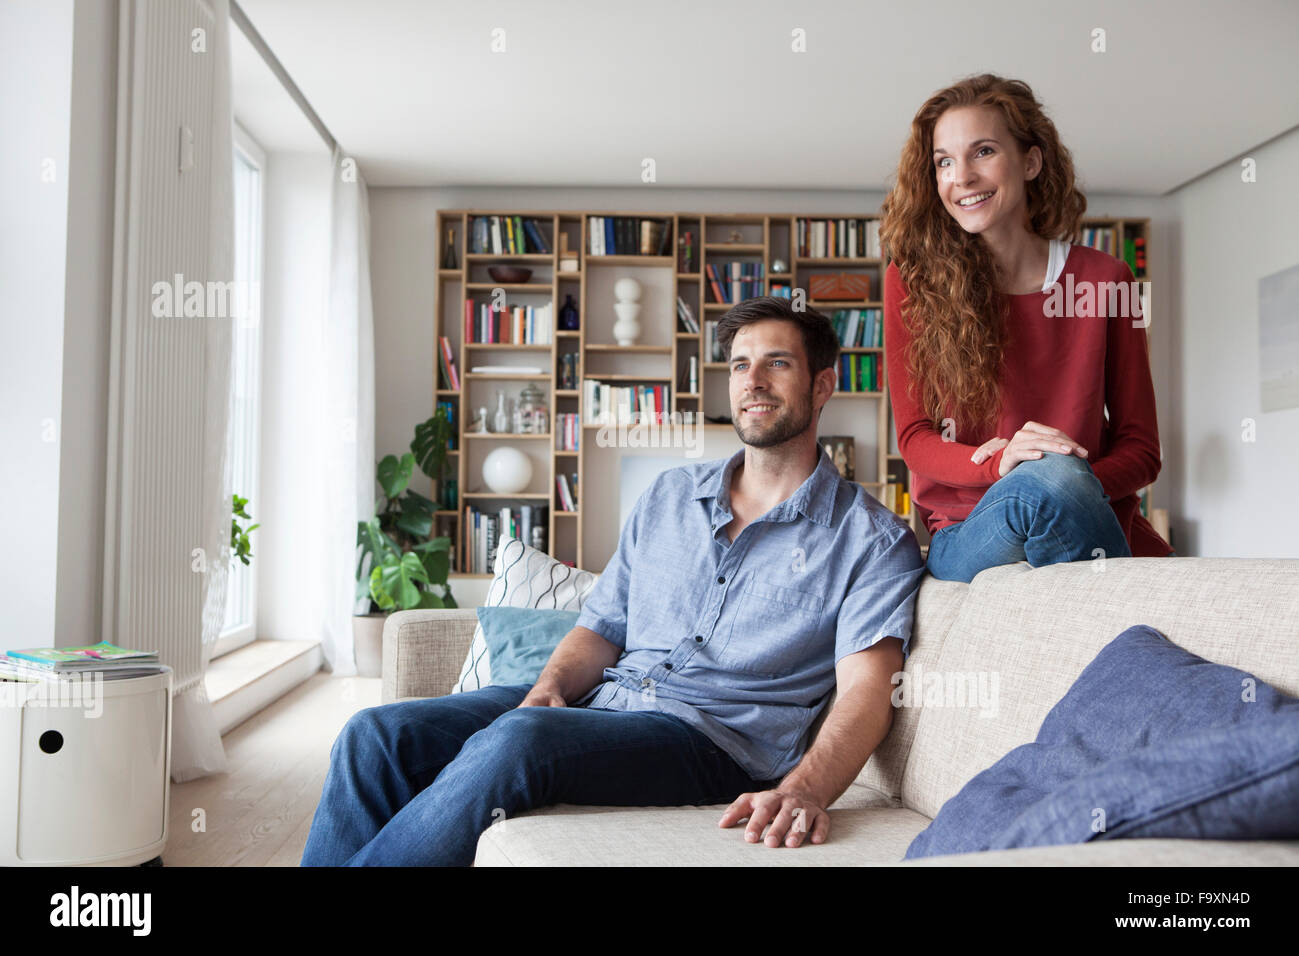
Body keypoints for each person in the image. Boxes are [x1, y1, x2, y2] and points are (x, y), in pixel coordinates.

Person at [300, 296, 926, 865]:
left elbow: (867, 693)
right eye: (738, 365)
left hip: (713, 743)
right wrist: (550, 685)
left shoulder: (872, 540)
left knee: (523, 739)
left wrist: (805, 789)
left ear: (823, 385)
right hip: (609, 702)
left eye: (776, 364)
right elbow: (602, 626)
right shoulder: (670, 496)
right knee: (376, 736)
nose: (752, 382)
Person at [878, 73, 1174, 584]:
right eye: (944, 161)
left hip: (1093, 513)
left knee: (1051, 481)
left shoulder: (1107, 280)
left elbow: (1141, 451)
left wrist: (1061, 479)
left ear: (1031, 162)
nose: (961, 176)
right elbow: (914, 437)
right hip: (970, 530)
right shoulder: (912, 281)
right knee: (1044, 483)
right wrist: (1003, 467)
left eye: (983, 151)